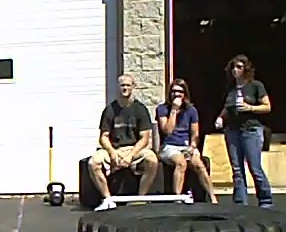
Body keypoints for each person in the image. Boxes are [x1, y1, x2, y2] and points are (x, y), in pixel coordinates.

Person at [88, 74, 159, 204]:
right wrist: (112, 152)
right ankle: (108, 199)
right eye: (122, 85)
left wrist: (131, 155)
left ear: (133, 87)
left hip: (134, 149)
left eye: (128, 85)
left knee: (152, 160)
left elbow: (145, 138)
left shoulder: (140, 109)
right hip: (114, 149)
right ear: (118, 88)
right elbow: (103, 137)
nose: (125, 88)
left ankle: (139, 199)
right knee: (93, 163)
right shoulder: (110, 110)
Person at [214, 54, 273, 208]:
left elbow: (267, 106)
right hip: (233, 130)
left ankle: (265, 201)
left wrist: (250, 108)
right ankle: (240, 203)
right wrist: (221, 118)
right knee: (237, 169)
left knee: (254, 166)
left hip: (251, 129)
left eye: (239, 67)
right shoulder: (231, 89)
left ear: (246, 69)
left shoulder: (255, 86)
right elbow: (227, 107)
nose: (235, 70)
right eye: (233, 67)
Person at [156, 78, 217, 202]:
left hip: (186, 146)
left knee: (200, 165)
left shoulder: (191, 110)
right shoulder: (162, 109)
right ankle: (177, 199)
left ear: (185, 94)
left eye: (180, 92)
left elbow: (195, 134)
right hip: (169, 146)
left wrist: (192, 146)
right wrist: (174, 110)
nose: (177, 94)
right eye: (174, 91)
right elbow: (167, 131)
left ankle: (213, 197)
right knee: (181, 163)